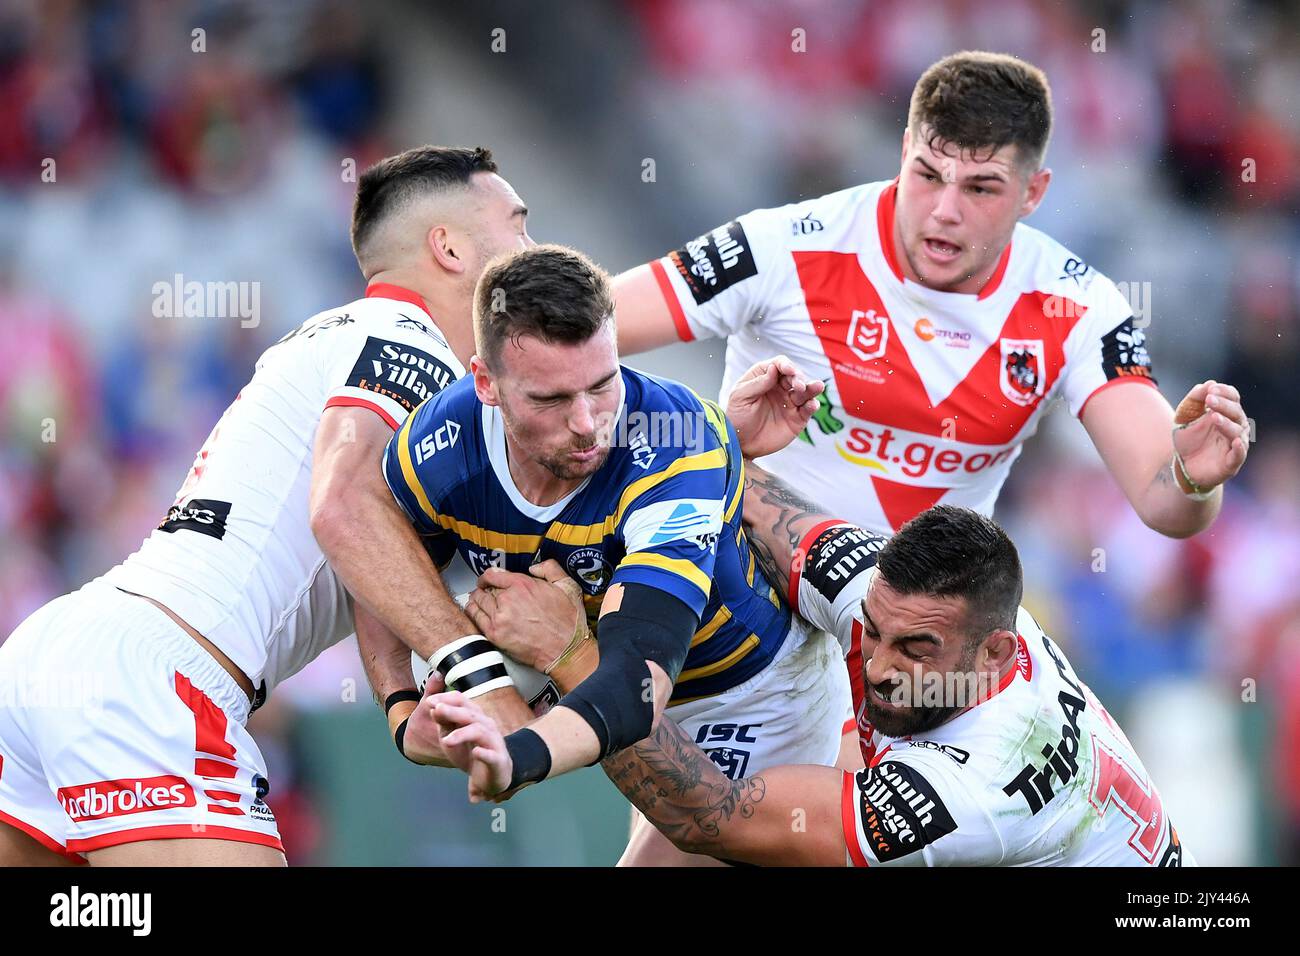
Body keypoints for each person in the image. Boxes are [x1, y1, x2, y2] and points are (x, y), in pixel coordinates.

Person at [0, 145, 534, 866]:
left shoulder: (338, 336)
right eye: (518, 225)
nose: (530, 249)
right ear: (448, 246)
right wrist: (485, 680)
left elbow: (372, 539)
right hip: (161, 679)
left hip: (69, 650)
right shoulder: (411, 345)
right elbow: (345, 511)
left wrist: (401, 703)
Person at [613, 50, 1249, 538]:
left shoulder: (1082, 308)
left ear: (1034, 193)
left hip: (925, 641)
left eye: (980, 188)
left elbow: (1164, 499)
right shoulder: (783, 245)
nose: (944, 210)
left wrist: (1194, 478)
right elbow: (589, 329)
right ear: (903, 152)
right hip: (757, 593)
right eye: (927, 174)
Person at [381, 243, 848, 866]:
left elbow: (637, 685)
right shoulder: (439, 445)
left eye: (604, 385)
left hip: (744, 696)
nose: (587, 423)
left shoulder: (676, 448)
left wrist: (523, 743)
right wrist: (400, 709)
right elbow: (375, 555)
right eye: (550, 399)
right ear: (486, 383)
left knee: (706, 836)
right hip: (602, 695)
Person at [430, 496, 1195, 867]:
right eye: (875, 632)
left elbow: (715, 819)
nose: (882, 667)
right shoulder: (909, 604)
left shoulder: (977, 785)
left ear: (995, 655)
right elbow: (734, 493)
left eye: (916, 651)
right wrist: (725, 431)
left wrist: (571, 652)